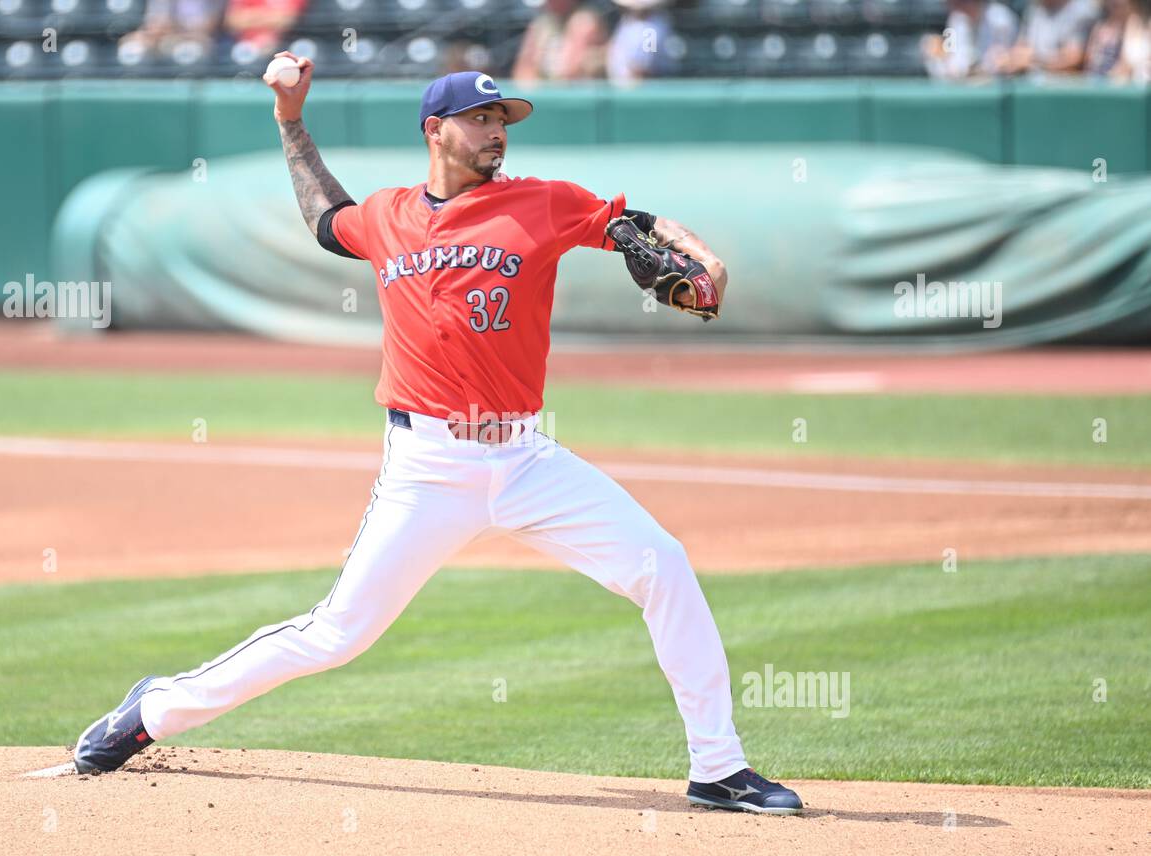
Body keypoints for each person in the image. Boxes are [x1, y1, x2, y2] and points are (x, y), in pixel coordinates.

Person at [71, 61, 804, 816]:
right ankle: (154, 710)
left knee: (664, 566)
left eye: (504, 121)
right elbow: (327, 218)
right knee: (337, 634)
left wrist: (697, 253)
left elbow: (633, 225)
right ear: (436, 130)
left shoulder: (543, 203)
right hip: (426, 468)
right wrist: (291, 121)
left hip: (524, 458)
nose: (497, 132)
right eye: (483, 119)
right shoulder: (389, 216)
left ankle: (719, 768)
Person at [511, 0, 608, 83]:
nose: (551, 3)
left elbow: (569, 72)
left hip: (578, 100)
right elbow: (523, 72)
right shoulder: (542, 25)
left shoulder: (584, 22)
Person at [993, 0, 1100, 74]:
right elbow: (1020, 48)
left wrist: (1034, 63)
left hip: (1064, 91)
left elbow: (1073, 58)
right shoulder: (1034, 10)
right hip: (1033, 86)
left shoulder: (1082, 11)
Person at [922, 0, 1020, 78]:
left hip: (997, 88)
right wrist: (939, 55)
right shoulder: (956, 19)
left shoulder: (1000, 18)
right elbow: (955, 64)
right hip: (967, 89)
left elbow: (1005, 62)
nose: (952, 5)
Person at [605, 0, 679, 84]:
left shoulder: (651, 29)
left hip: (638, 89)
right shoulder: (629, 21)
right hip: (626, 86)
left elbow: (641, 68)